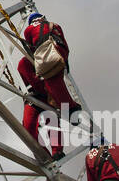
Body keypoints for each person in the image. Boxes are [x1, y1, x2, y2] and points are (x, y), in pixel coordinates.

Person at [18, 12, 79, 157]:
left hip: (41, 94)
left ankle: (50, 153)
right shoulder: (54, 27)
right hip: (38, 94)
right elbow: (64, 44)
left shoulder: (30, 39)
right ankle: (52, 152)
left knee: (30, 127)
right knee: (48, 121)